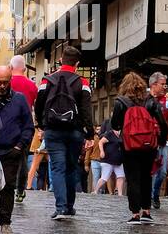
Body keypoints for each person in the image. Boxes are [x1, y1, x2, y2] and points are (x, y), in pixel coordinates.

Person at [33, 45, 93, 220]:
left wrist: (41, 124)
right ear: (77, 64)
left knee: (57, 168)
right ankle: (69, 206)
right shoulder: (83, 83)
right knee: (71, 167)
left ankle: (60, 208)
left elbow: (39, 103)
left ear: (60, 60)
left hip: (53, 130)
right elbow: (86, 110)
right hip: (75, 132)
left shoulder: (47, 81)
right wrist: (89, 133)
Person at [110, 71, 167, 225]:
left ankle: (135, 213)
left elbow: (114, 124)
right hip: (149, 146)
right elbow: (162, 123)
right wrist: (160, 141)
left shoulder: (120, 102)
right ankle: (146, 212)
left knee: (133, 178)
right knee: (146, 177)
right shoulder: (150, 101)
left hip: (129, 146)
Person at [0, 65, 33, 234]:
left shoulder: (19, 100)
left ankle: (5, 222)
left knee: (8, 187)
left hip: (11, 150)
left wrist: (20, 146)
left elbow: (28, 127)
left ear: (10, 81)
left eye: (5, 82)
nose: (2, 86)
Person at [148, 72, 168, 209]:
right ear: (153, 84)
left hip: (163, 142)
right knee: (150, 171)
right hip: (148, 141)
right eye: (162, 84)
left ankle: (155, 194)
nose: (164, 87)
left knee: (162, 172)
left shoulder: (166, 100)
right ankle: (149, 197)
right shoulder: (145, 98)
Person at [9, 55, 38, 204]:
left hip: (6, 126)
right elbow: (35, 107)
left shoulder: (5, 82)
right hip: (25, 128)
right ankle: (20, 191)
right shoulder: (32, 86)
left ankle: (3, 188)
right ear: (25, 69)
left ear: (10, 67)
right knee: (23, 160)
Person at [97, 119, 125, 196]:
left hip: (118, 160)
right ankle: (95, 190)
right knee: (104, 178)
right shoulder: (110, 134)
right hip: (108, 160)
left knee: (120, 176)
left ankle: (120, 193)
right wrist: (102, 151)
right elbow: (100, 142)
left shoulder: (122, 135)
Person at [85, 125, 104, 193]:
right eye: (97, 129)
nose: (99, 131)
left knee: (103, 179)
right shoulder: (93, 138)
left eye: (100, 129)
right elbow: (88, 151)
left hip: (104, 161)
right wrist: (86, 164)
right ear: (95, 130)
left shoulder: (105, 138)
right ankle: (96, 192)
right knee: (96, 178)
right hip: (94, 161)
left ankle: (102, 192)